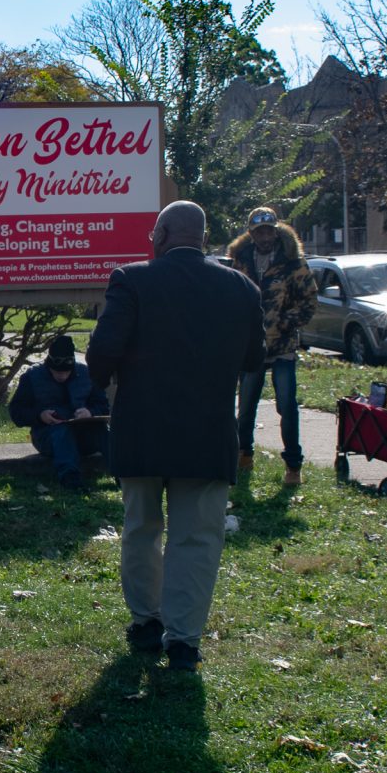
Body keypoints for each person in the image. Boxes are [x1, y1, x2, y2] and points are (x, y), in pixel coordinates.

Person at [86, 200, 263, 674]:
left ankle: (146, 620)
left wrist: (106, 387)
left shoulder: (132, 280)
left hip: (142, 429)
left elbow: (102, 352)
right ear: (203, 239)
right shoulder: (242, 288)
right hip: (207, 434)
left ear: (160, 236)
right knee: (197, 538)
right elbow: (252, 360)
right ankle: (183, 640)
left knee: (141, 528)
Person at [228, 207, 316, 485]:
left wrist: (285, 320)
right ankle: (244, 455)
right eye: (259, 231)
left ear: (276, 232)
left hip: (283, 346)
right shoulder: (241, 261)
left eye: (269, 230)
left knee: (287, 406)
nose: (264, 236)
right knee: (246, 406)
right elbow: (232, 295)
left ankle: (293, 465)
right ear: (251, 234)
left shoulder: (292, 261)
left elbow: (309, 300)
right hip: (252, 345)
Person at [7, 334, 109, 488]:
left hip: (84, 434)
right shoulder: (32, 377)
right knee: (61, 431)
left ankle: (123, 474)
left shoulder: (86, 375)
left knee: (104, 431)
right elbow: (16, 411)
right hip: (47, 436)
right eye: (57, 372)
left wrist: (90, 412)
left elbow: (103, 406)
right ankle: (71, 480)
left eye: (66, 372)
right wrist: (40, 416)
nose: (62, 375)